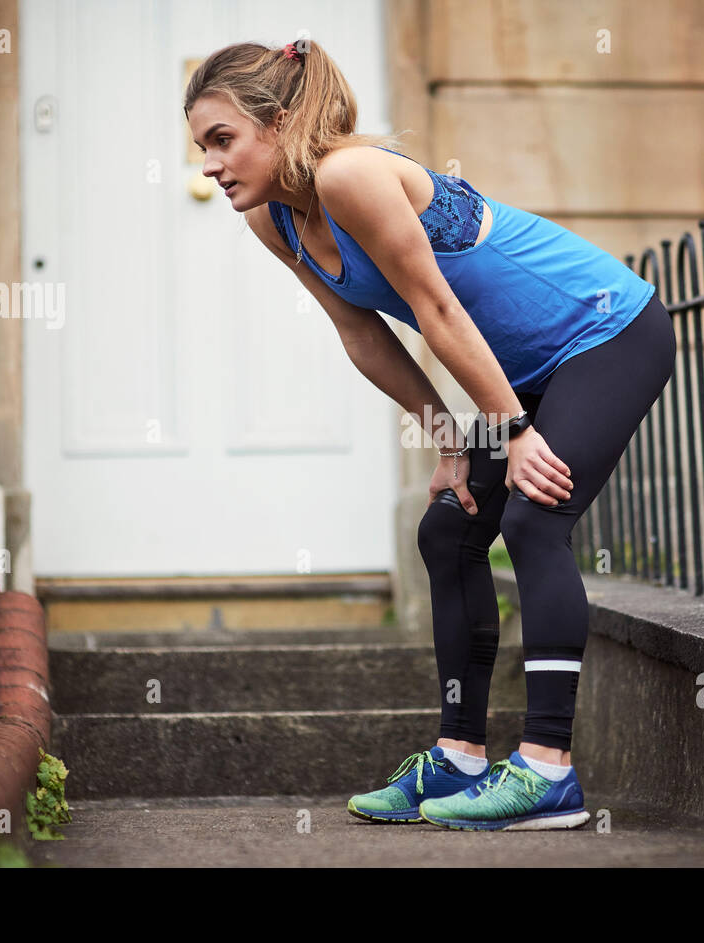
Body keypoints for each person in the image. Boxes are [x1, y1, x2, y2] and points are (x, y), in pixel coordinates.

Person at [185, 39, 674, 831]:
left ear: (276, 125)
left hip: (605, 331)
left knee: (531, 517)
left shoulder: (352, 175)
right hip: (519, 370)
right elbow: (363, 333)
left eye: (222, 139)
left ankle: (549, 769)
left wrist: (513, 430)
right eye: (203, 147)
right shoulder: (276, 218)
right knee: (449, 530)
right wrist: (450, 438)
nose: (210, 164)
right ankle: (460, 757)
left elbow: (437, 309)